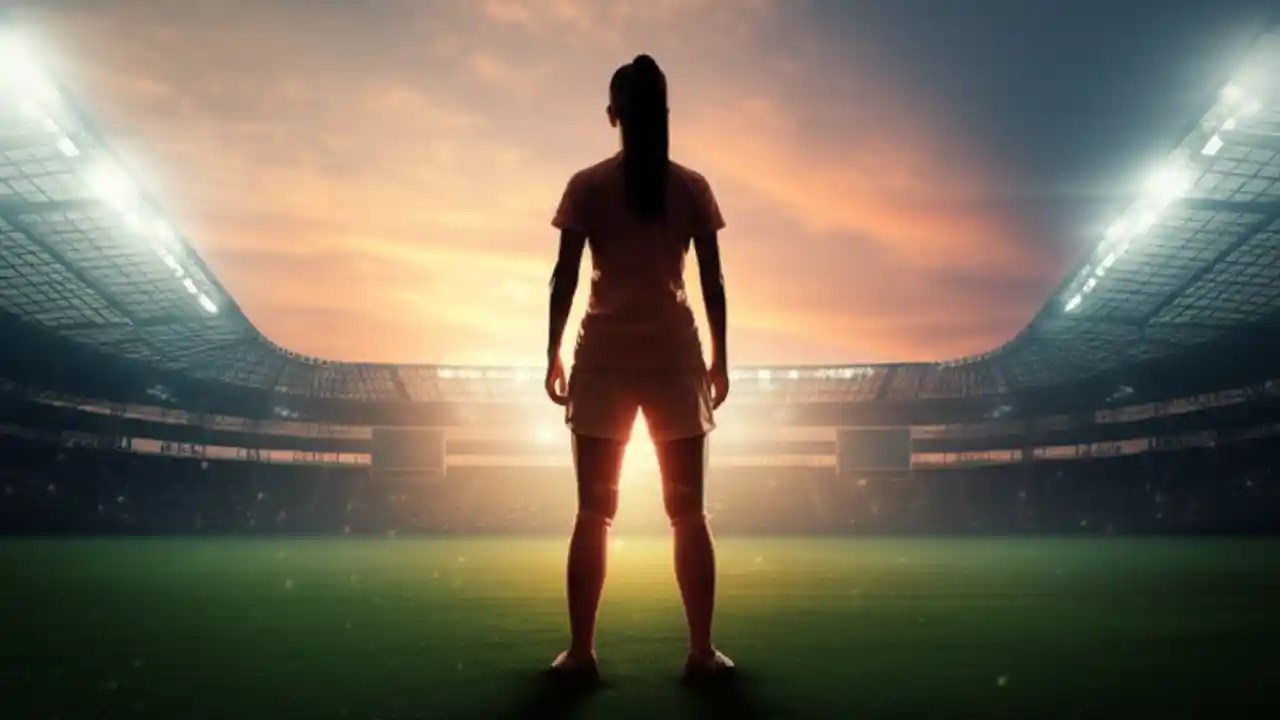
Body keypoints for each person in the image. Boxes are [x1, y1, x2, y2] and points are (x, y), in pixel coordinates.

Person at [543, 54, 733, 683]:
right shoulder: (692, 187)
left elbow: (565, 279)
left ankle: (581, 653)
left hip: (602, 360)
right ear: (666, 115)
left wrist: (550, 353)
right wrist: (719, 357)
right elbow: (712, 284)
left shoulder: (587, 185)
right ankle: (701, 652)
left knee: (593, 513)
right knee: (690, 515)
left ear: (612, 115)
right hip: (675, 361)